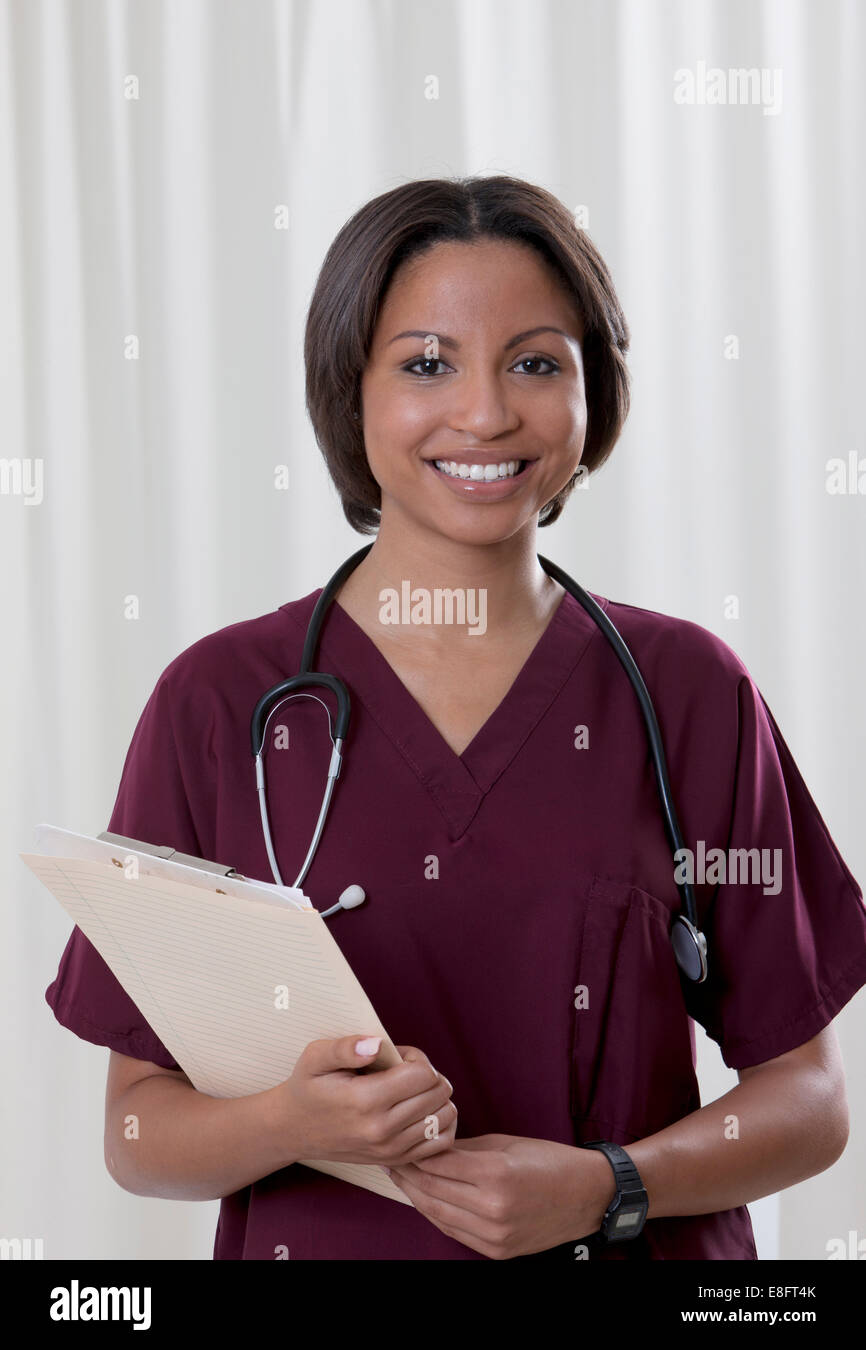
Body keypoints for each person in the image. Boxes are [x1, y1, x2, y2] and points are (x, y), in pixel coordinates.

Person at [46, 174, 866, 1260]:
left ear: (593, 396)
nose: (483, 412)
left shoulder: (688, 690)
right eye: (425, 363)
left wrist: (608, 1185)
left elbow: (807, 1101)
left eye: (534, 361)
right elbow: (137, 1132)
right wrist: (289, 1121)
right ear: (352, 391)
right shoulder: (219, 701)